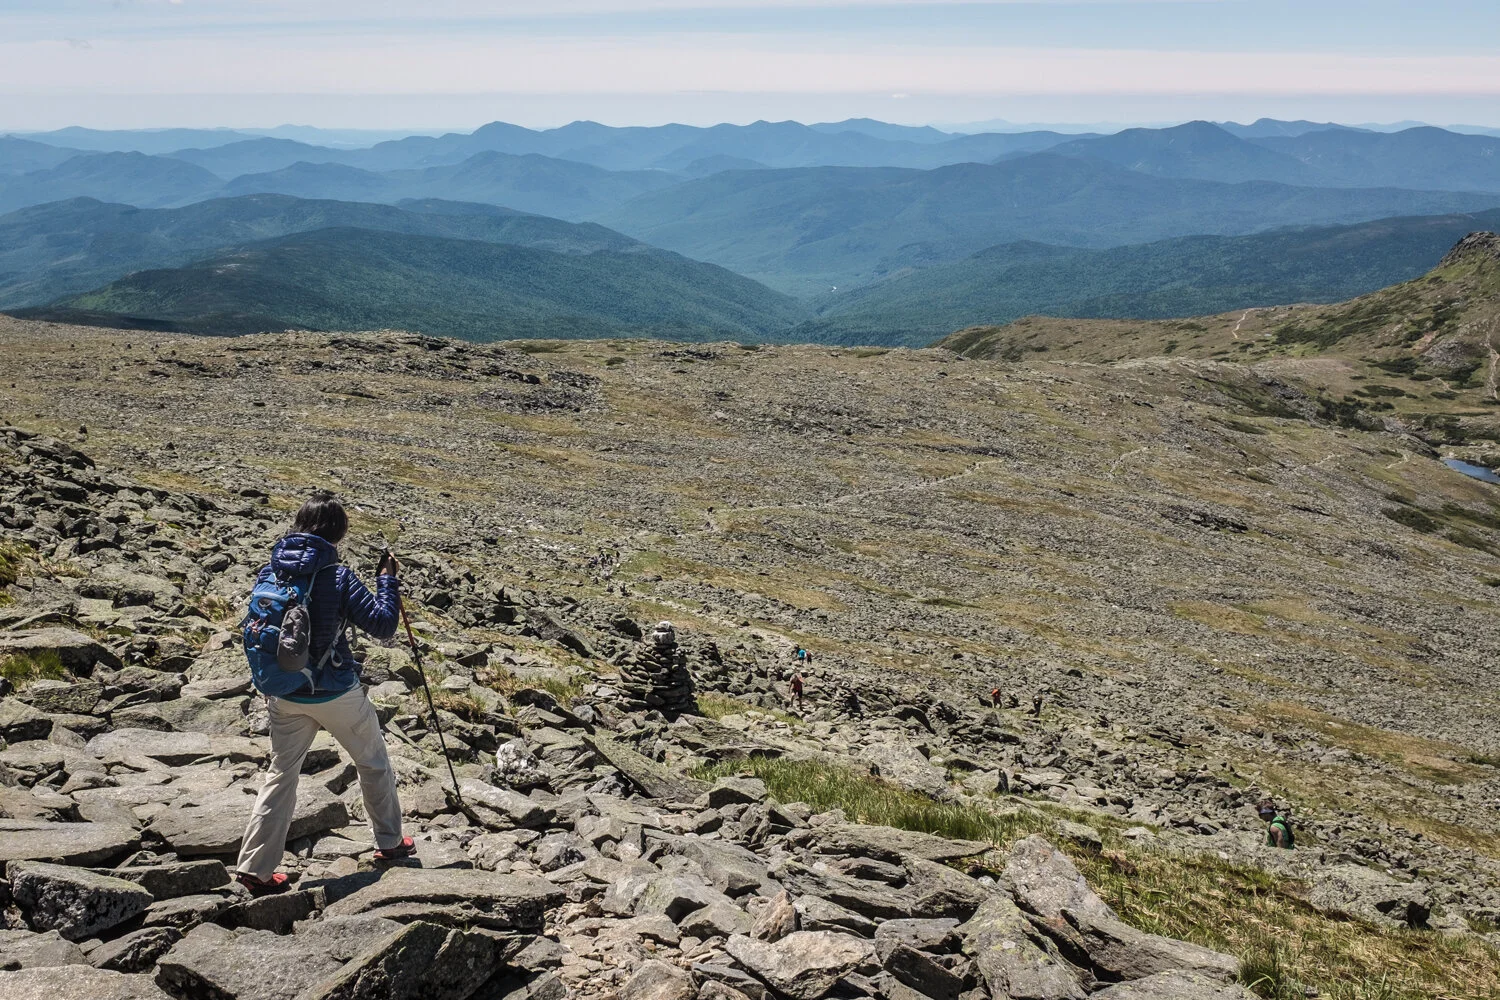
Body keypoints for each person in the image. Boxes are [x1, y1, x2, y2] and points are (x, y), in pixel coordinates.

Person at [235, 492, 413, 896]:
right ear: (338, 533)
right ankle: (388, 843)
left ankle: (255, 867)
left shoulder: (271, 572)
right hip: (335, 692)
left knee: (281, 773)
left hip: (282, 691)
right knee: (373, 762)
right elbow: (384, 626)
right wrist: (387, 578)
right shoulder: (338, 577)